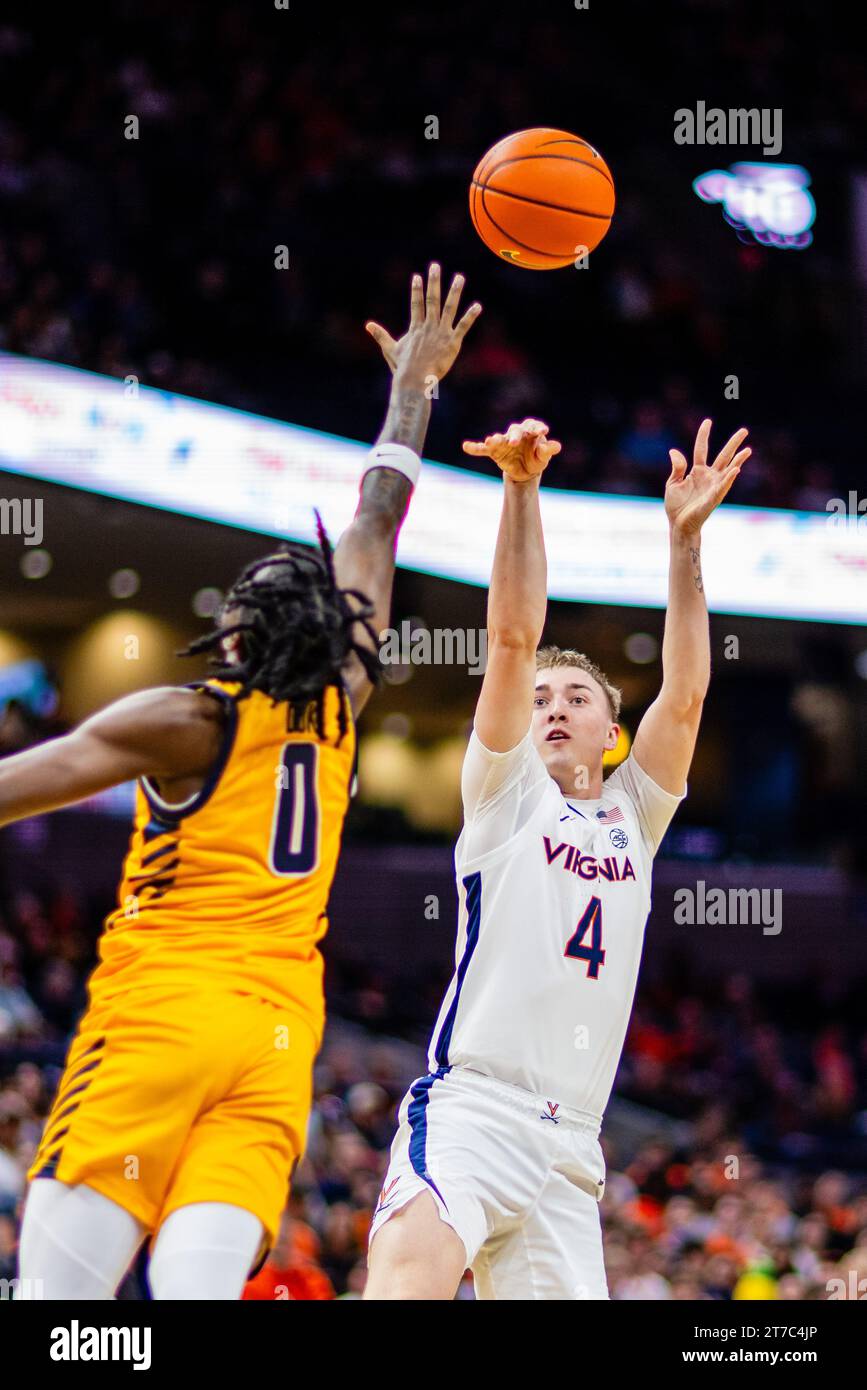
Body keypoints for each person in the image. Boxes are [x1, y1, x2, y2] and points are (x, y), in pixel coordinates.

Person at [4, 263, 481, 1300]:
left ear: (236, 627)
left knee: (55, 1315)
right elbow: (378, 515)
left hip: (164, 1015)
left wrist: (412, 384)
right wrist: (415, 389)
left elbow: (13, 786)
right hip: (276, 1036)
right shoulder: (342, 699)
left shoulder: (186, 716)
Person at [365, 414, 750, 1300]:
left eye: (577, 696)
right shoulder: (505, 792)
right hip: (474, 1111)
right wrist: (520, 489)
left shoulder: (634, 815)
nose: (553, 705)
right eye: (541, 697)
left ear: (612, 734)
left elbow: (685, 695)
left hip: (572, 1142)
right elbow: (509, 637)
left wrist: (684, 544)